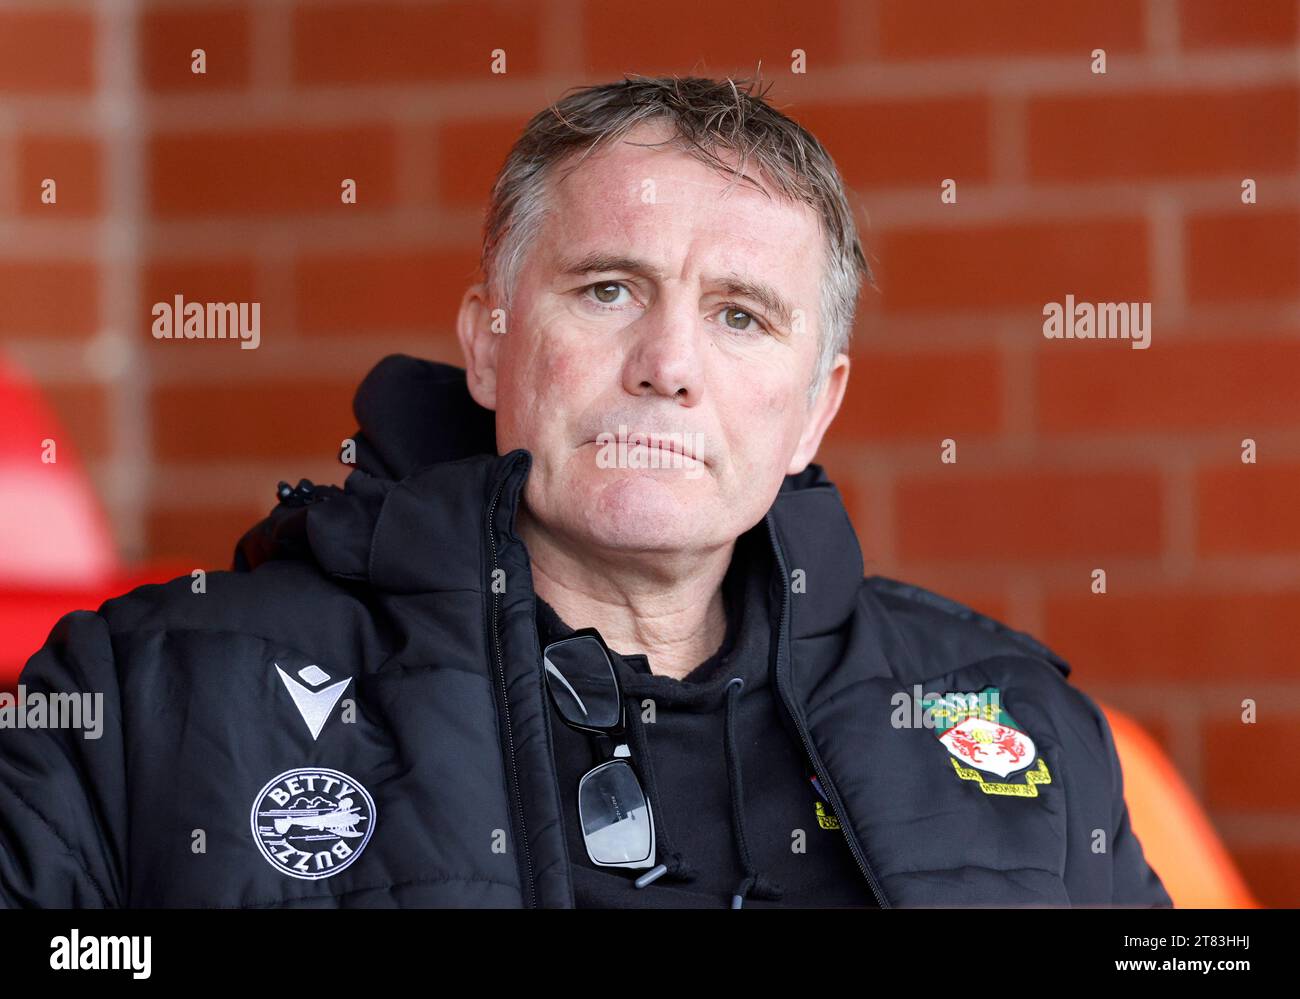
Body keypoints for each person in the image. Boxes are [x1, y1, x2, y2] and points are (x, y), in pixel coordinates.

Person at [0, 75, 1171, 908]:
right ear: (488, 342)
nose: (667, 365)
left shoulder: (1023, 729)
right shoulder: (142, 706)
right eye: (608, 289)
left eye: (740, 316)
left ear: (817, 405)